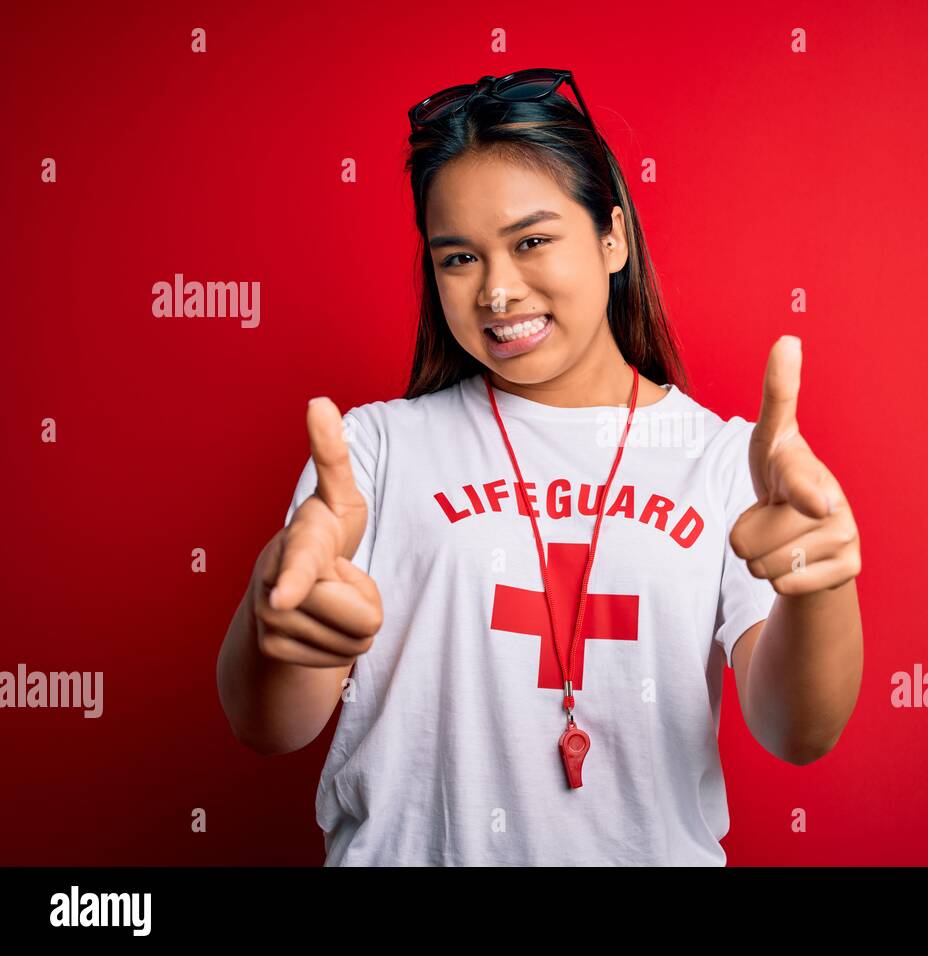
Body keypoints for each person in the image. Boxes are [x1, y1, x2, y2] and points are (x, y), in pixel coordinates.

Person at [216, 69, 863, 866]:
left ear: (612, 237)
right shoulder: (370, 456)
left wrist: (822, 586)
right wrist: (274, 612)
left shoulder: (726, 462)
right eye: (458, 258)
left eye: (531, 241)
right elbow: (268, 727)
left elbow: (798, 732)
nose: (496, 291)